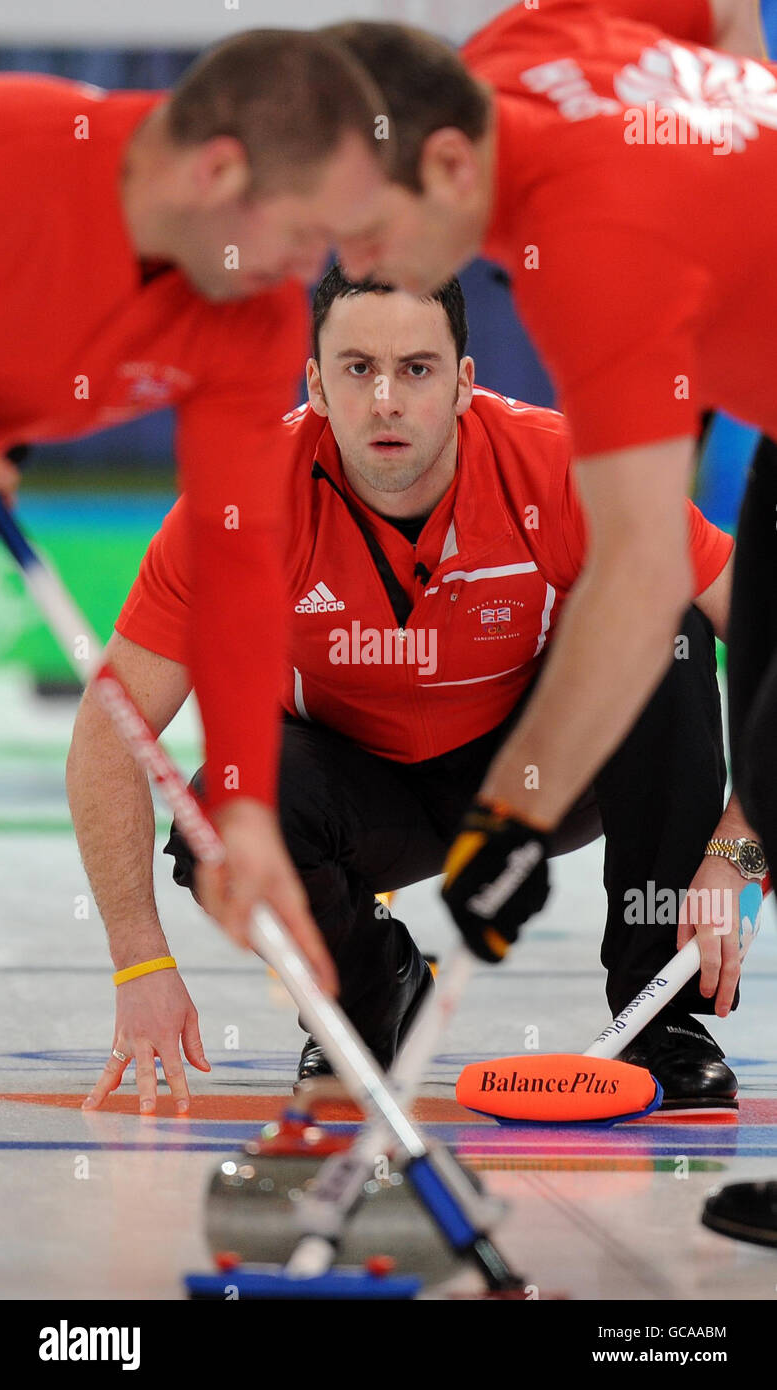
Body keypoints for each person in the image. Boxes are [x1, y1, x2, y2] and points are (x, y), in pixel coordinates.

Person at [68, 268, 747, 1114]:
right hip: (357, 788)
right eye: (357, 369)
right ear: (314, 384)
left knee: (664, 621)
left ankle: (662, 1015)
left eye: (417, 369)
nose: (386, 400)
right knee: (221, 818)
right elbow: (110, 731)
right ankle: (371, 995)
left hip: (534, 776)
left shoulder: (569, 468)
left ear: (466, 381)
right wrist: (140, 962)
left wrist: (740, 847)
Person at [316, 1, 775, 974]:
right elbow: (727, 9)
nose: (350, 263)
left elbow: (642, 577)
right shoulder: (517, 47)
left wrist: (515, 818)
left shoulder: (592, 251)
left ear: (444, 167)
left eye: (361, 230)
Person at [0, 30, 394, 992]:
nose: (310, 268)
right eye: (304, 232)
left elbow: (239, 561)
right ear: (219, 171)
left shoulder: (249, 311)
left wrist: (247, 805)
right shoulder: (12, 149)